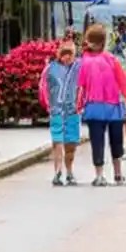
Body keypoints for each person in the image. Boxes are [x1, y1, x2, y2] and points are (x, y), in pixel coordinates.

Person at [78, 24, 126, 186]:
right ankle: (118, 173)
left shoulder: (83, 63)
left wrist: (78, 106)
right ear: (103, 42)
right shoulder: (112, 60)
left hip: (93, 107)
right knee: (116, 141)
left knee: (97, 141)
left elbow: (80, 87)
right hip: (113, 106)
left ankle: (99, 175)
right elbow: (123, 83)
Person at [39, 40, 82, 185]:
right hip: (56, 110)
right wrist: (48, 105)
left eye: (70, 54)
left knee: (71, 143)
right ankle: (57, 172)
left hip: (73, 111)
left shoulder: (79, 68)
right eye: (65, 54)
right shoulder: (50, 69)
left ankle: (69, 171)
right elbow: (43, 88)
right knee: (57, 141)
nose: (67, 57)